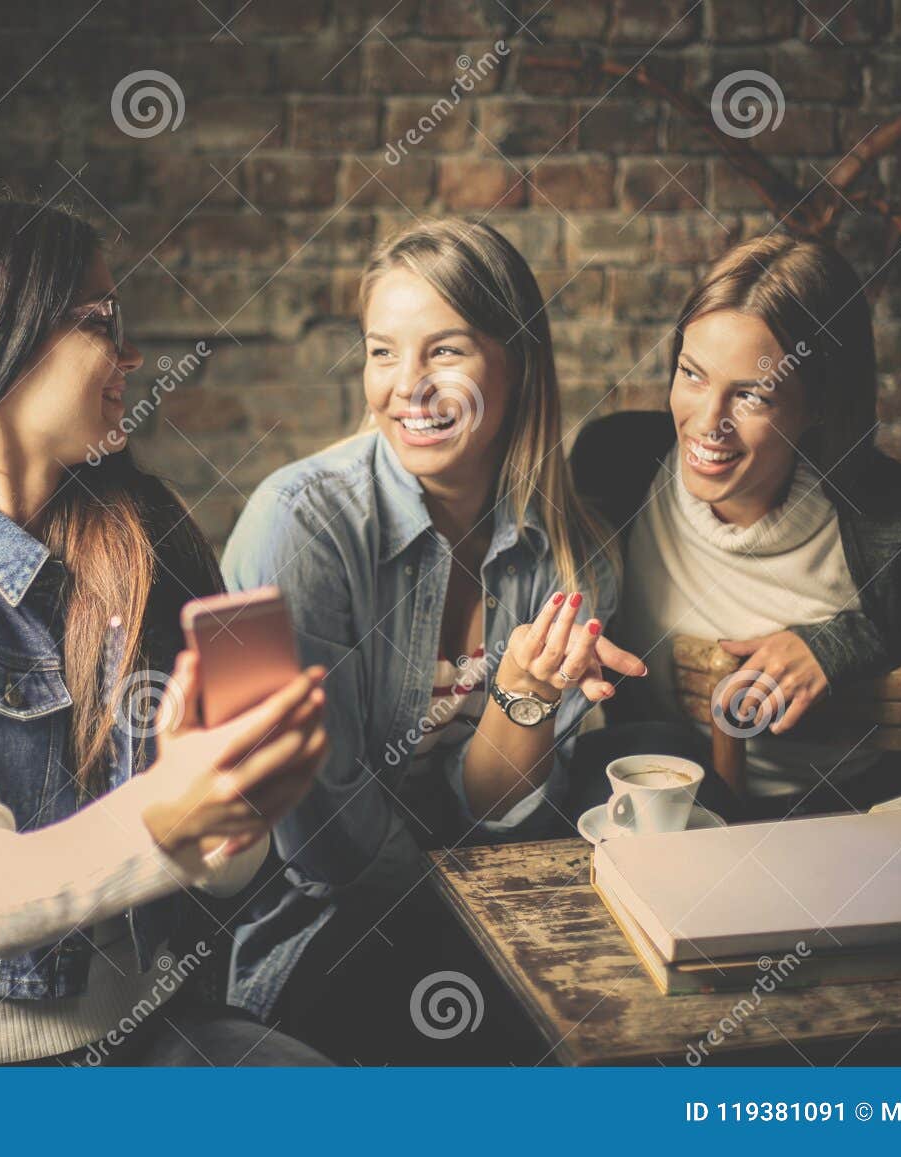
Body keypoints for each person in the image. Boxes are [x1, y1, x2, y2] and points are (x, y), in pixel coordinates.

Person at [0, 191, 331, 1066]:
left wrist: (237, 803)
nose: (131, 353)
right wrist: (169, 809)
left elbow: (229, 870)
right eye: (101, 320)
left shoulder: (139, 537)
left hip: (148, 1038)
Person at [218, 218, 664, 1062]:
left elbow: (493, 815)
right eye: (383, 352)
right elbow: (323, 837)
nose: (406, 388)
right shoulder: (301, 525)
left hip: (485, 905)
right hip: (320, 932)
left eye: (445, 351)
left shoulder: (579, 554)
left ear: (519, 361)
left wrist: (523, 698)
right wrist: (485, 919)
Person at [572, 232, 901, 806]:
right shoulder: (614, 464)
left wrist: (846, 643)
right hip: (670, 809)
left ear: (819, 404)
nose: (708, 422)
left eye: (752, 397)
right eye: (692, 374)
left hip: (855, 814)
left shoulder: (894, 518)